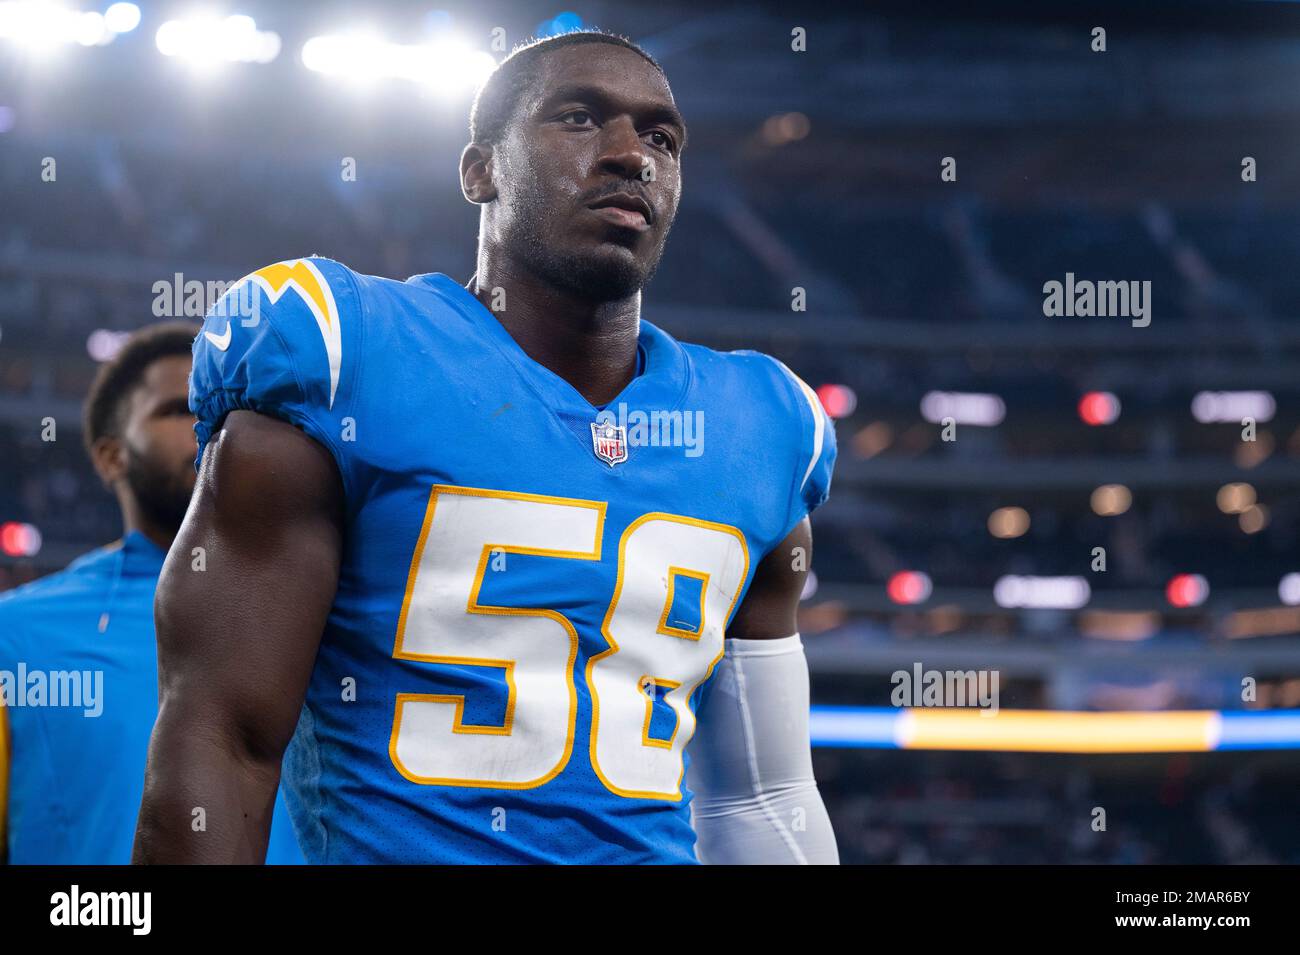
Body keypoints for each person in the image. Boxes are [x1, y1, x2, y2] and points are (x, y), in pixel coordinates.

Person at [134, 30, 838, 864]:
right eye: (580, 119)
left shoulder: (764, 424)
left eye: (661, 139)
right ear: (481, 170)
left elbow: (761, 794)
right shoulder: (346, 352)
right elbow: (224, 743)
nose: (630, 157)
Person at [0, 321, 302, 864]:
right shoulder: (13, 635)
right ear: (110, 457)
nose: (212, 423)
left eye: (235, 408)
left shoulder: (335, 619)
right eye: (179, 409)